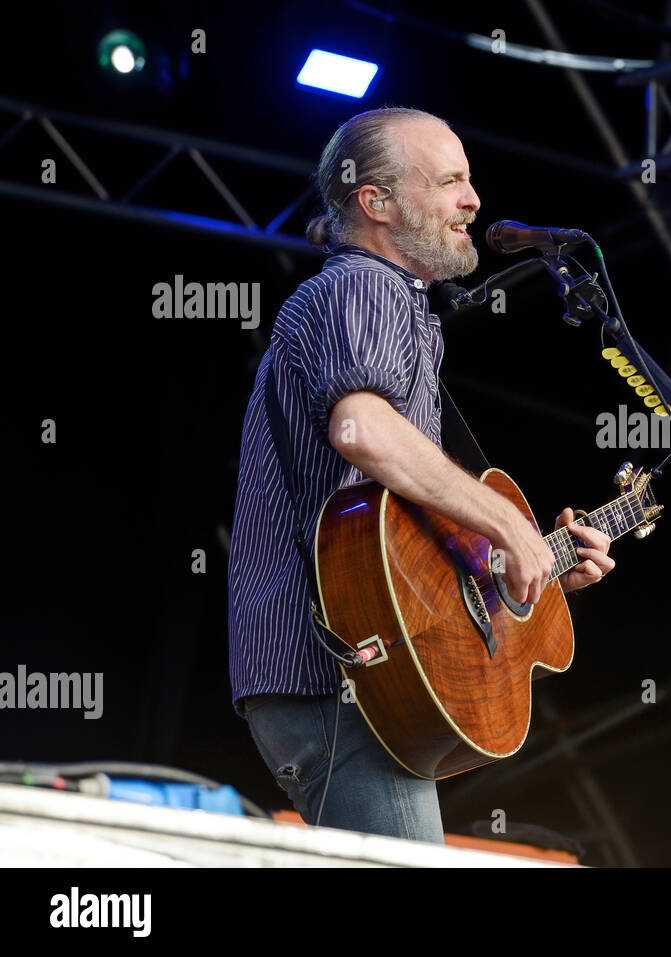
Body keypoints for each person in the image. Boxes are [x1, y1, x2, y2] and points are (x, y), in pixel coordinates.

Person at [227, 107, 615, 844]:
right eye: (450, 181)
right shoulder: (362, 287)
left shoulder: (392, 308)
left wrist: (527, 567)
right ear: (375, 203)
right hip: (338, 679)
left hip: (354, 676)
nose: (474, 199)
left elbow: (406, 551)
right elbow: (360, 429)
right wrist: (507, 523)